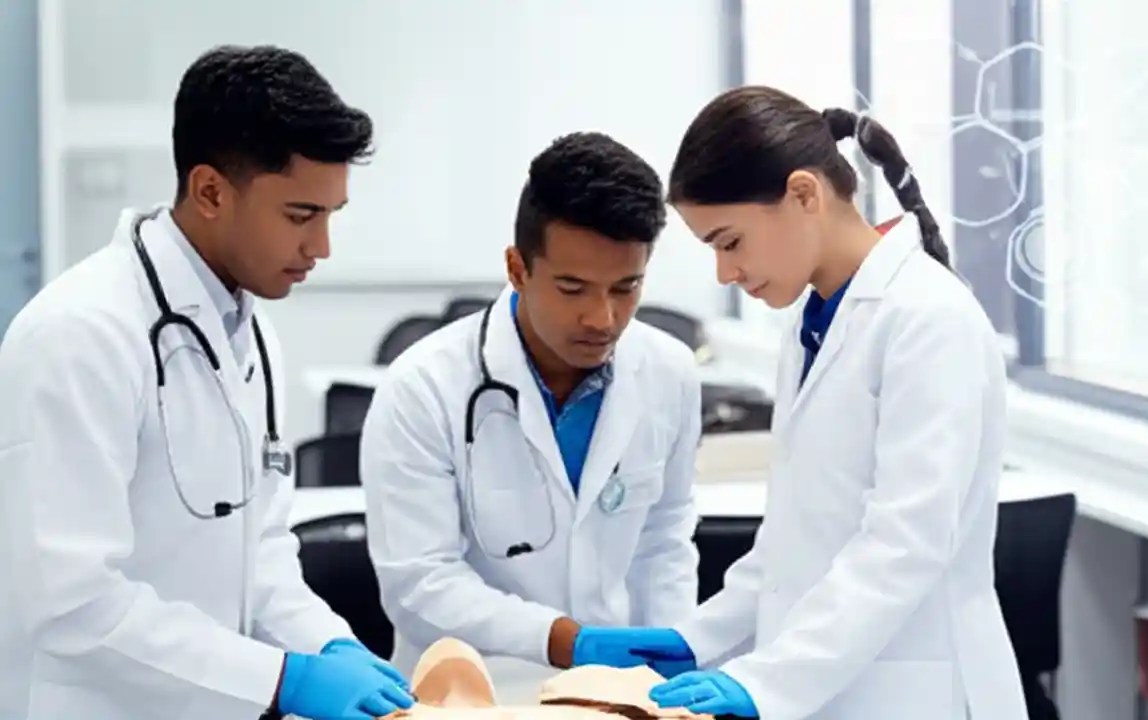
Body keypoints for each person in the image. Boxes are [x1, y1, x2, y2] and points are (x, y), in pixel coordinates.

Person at [583, 86, 1029, 720]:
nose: (724, 273)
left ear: (804, 194)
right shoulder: (812, 321)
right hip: (840, 688)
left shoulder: (928, 318)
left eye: (729, 242)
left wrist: (767, 682)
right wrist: (700, 637)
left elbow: (904, 544)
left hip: (921, 691)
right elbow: (794, 544)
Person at [0, 45, 416, 720]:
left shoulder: (249, 333)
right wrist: (283, 678)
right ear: (211, 191)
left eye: (331, 215)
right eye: (300, 215)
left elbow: (264, 552)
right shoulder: (78, 335)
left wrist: (329, 645)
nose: (322, 247)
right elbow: (73, 603)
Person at [359, 131, 703, 694]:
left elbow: (664, 540)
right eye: (573, 288)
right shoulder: (423, 387)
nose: (603, 318)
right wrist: (567, 640)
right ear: (517, 269)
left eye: (627, 286)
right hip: (476, 693)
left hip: (616, 696)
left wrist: (667, 657)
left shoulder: (669, 371)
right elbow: (420, 583)